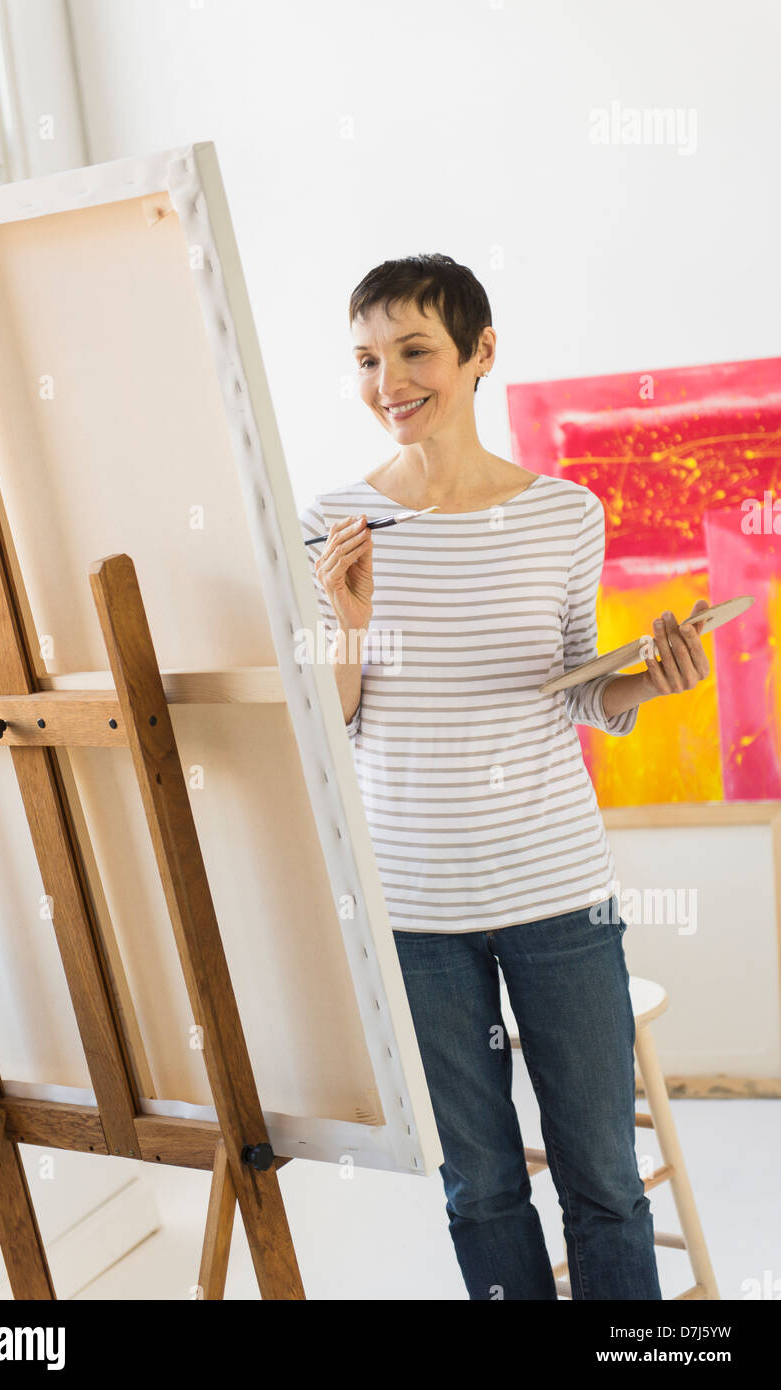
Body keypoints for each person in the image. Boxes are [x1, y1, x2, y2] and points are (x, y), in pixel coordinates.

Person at [297, 253, 710, 1300]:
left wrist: (648, 684)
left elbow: (576, 690)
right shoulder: (329, 522)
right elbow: (331, 720)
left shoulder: (566, 514)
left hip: (558, 895)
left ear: (482, 352)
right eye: (366, 358)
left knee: (605, 1183)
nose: (389, 379)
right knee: (478, 1186)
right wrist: (345, 624)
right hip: (415, 908)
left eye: (414, 350)